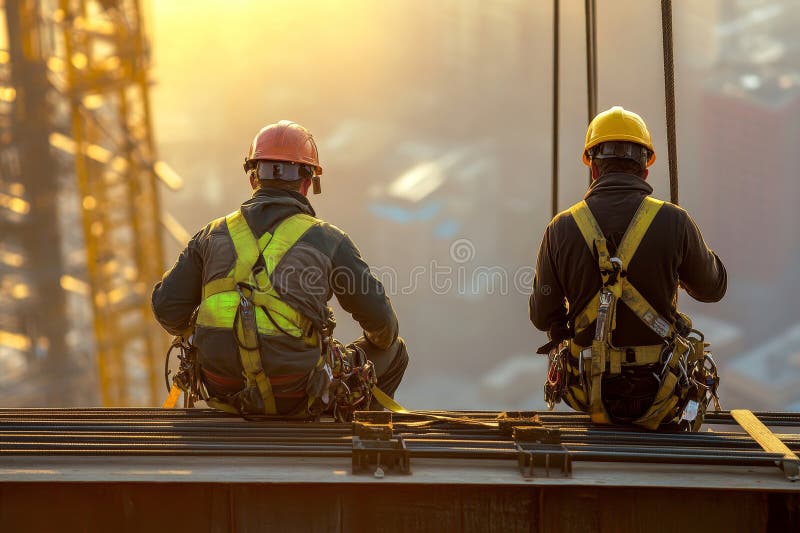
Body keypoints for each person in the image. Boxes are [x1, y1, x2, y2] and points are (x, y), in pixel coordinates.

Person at [152, 120, 407, 417]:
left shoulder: (212, 235)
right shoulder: (328, 240)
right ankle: (349, 431)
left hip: (223, 390)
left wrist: (216, 337)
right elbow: (383, 326)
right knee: (394, 351)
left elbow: (167, 309)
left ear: (252, 179)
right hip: (299, 394)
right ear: (307, 183)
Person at [529, 106, 726, 430]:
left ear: (593, 168)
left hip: (589, 391)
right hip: (661, 391)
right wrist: (686, 249)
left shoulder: (561, 228)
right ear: (645, 169)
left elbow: (542, 315)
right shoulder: (674, 221)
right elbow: (712, 289)